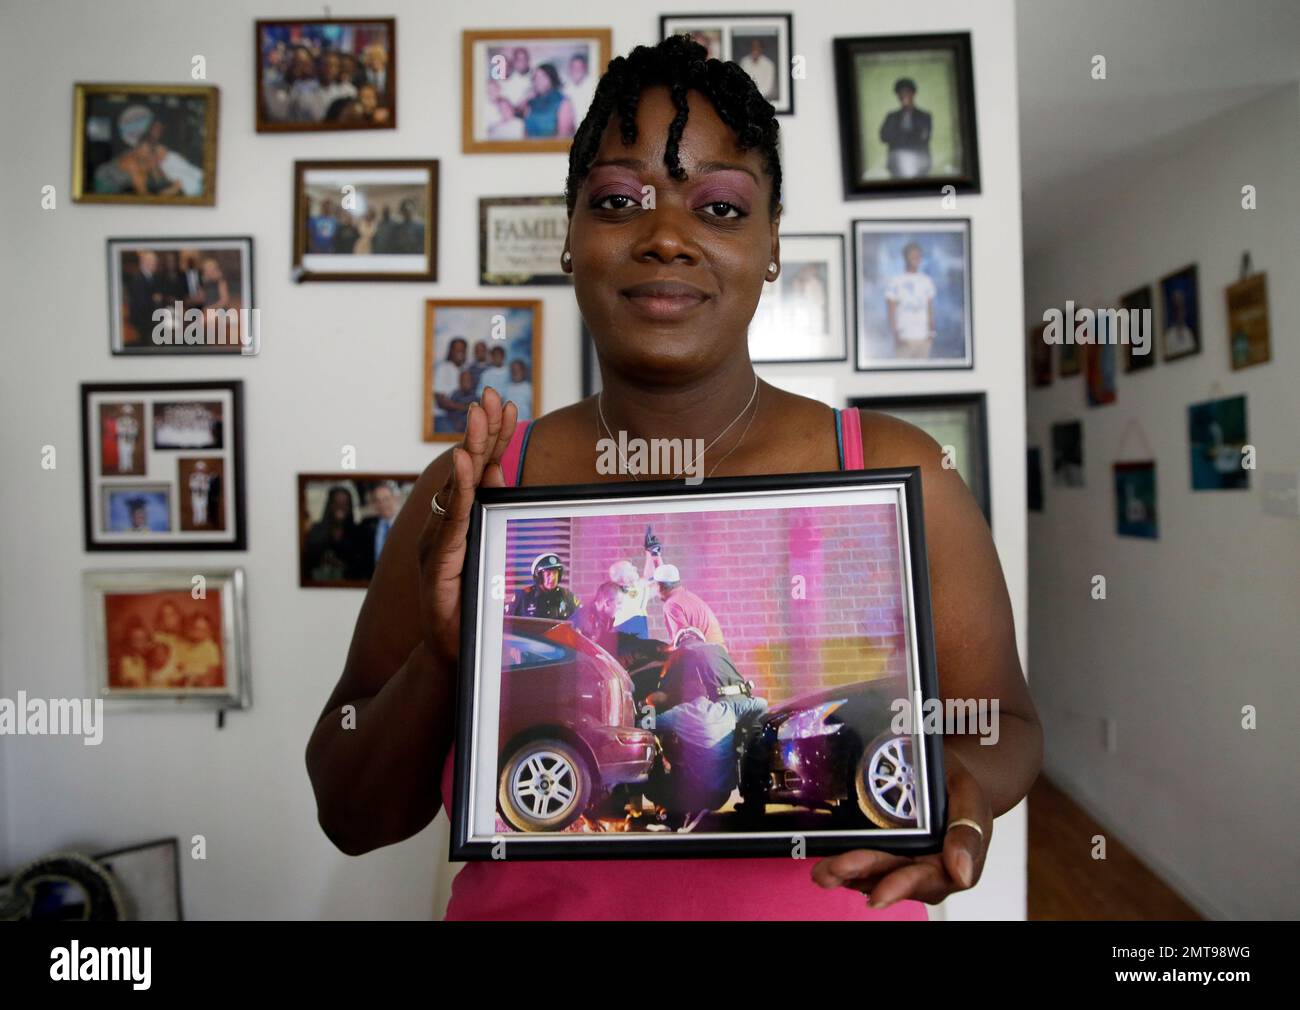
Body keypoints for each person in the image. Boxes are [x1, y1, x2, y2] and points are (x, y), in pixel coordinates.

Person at [308, 34, 1042, 921]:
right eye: (620, 201)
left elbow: (1005, 724)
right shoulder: (475, 486)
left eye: (721, 208)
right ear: (571, 235)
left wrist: (956, 785)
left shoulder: (899, 469)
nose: (665, 236)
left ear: (772, 243)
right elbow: (353, 815)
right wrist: (444, 658)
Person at [885, 241, 937, 360]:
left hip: (923, 338)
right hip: (904, 338)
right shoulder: (895, 281)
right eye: (912, 255)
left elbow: (930, 308)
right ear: (905, 257)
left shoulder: (927, 281)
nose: (915, 258)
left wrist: (931, 333)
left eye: (918, 256)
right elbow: (891, 311)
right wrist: (896, 335)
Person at [653, 564, 725, 646]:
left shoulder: (671, 605)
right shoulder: (688, 596)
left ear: (660, 586)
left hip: (706, 652)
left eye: (655, 585)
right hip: (718, 650)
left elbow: (682, 643)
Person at [879, 77, 932, 179]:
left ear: (913, 94)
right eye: (900, 93)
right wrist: (910, 135)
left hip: (920, 165)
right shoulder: (891, 117)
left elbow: (924, 138)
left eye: (906, 92)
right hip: (896, 166)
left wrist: (897, 136)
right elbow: (884, 137)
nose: (903, 96)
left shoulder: (925, 116)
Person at [354, 480, 403, 579]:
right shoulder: (366, 525)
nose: (382, 504)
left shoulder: (406, 525)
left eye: (386, 499)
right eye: (377, 500)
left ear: (395, 498)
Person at [508, 553, 579, 619]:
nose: (552, 578)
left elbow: (580, 620)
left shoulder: (567, 596)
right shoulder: (523, 597)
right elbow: (507, 622)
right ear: (539, 576)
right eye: (548, 574)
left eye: (555, 573)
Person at [521, 64, 575, 139]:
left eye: (542, 77)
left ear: (551, 79)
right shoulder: (531, 103)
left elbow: (563, 134)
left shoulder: (563, 102)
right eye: (535, 77)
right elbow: (526, 133)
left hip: (553, 145)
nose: (538, 81)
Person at [432, 337, 469, 432]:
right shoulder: (443, 368)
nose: (460, 352)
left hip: (461, 417)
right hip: (442, 416)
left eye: (463, 349)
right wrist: (465, 408)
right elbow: (440, 402)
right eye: (457, 349)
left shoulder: (466, 370)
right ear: (451, 351)